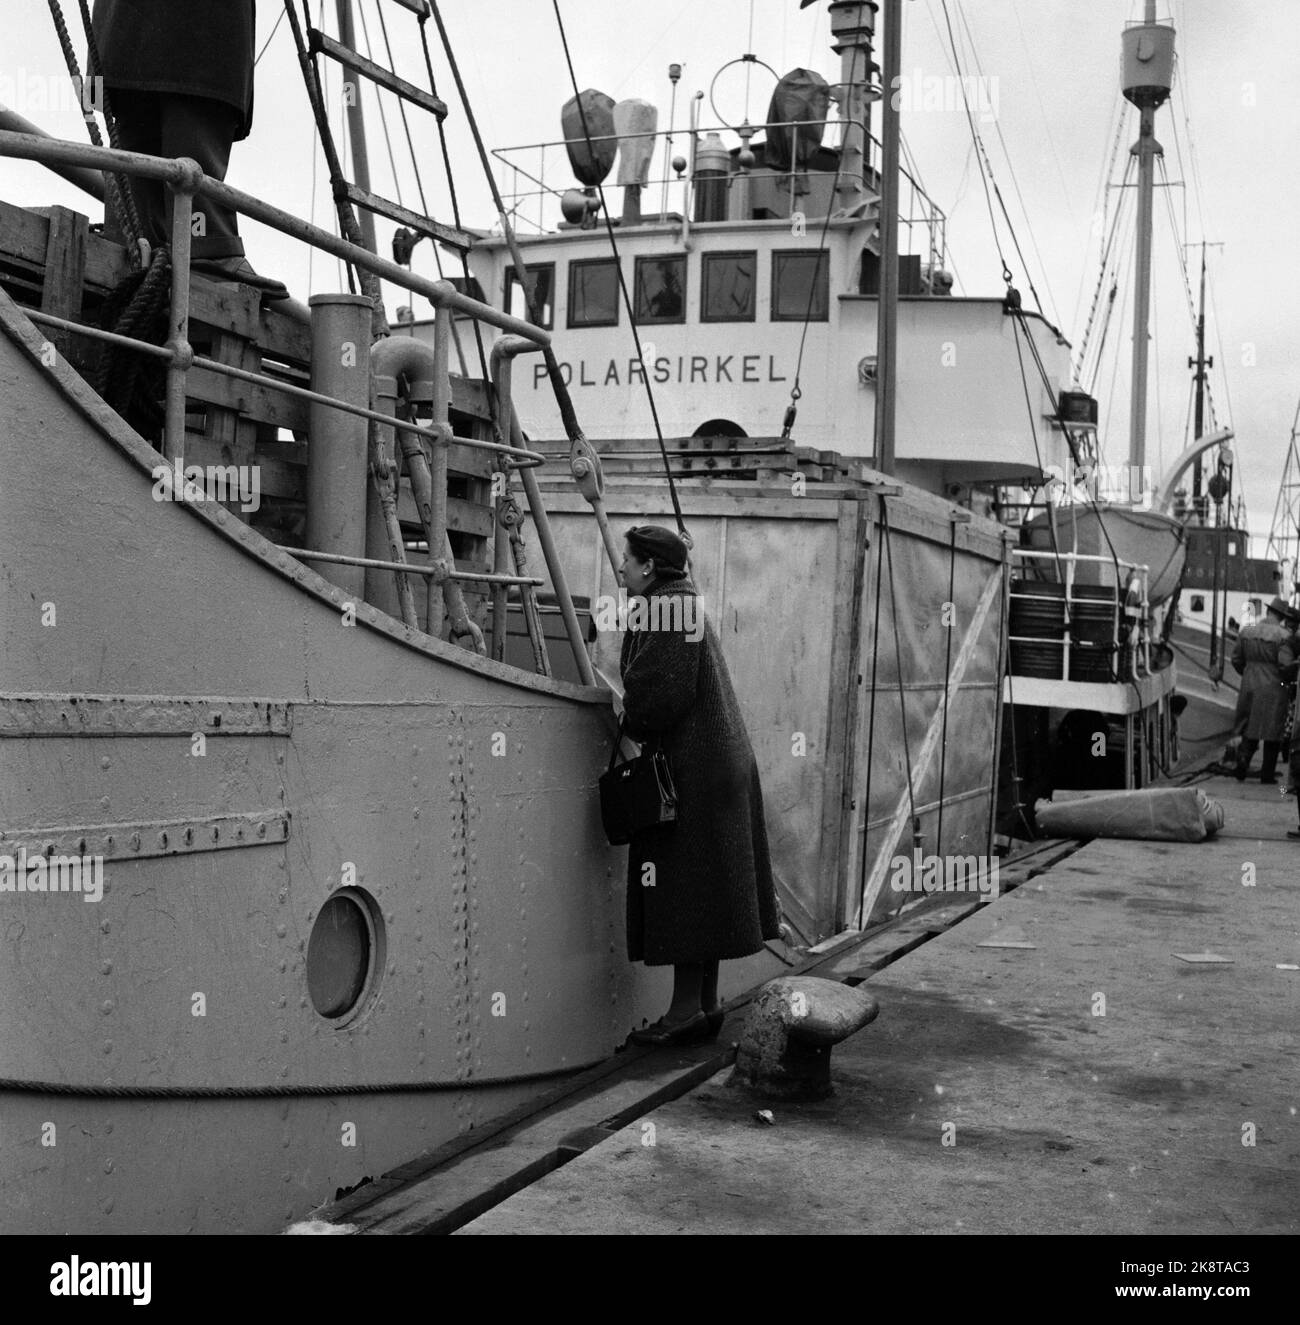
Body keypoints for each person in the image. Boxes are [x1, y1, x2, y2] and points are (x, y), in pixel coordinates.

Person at [615, 525, 782, 1046]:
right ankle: (704, 1005)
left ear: (648, 568)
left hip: (694, 773)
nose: (620, 568)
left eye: (628, 560)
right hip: (715, 766)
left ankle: (684, 1011)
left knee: (682, 888)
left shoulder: (665, 611)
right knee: (705, 889)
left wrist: (628, 719)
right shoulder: (685, 605)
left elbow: (662, 696)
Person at [91, 0, 289, 299]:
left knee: (137, 144)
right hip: (198, 37)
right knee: (193, 126)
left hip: (121, 35)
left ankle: (132, 243)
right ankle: (206, 249)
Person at [1230, 596, 1298, 784]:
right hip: (1275, 687)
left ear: (1268, 612)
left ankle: (1242, 761)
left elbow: (1236, 659)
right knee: (1273, 729)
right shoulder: (1284, 636)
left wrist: (1248, 672)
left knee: (1248, 724)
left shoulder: (1247, 631)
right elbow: (1285, 665)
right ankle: (1267, 775)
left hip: (1249, 682)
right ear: (1282, 617)